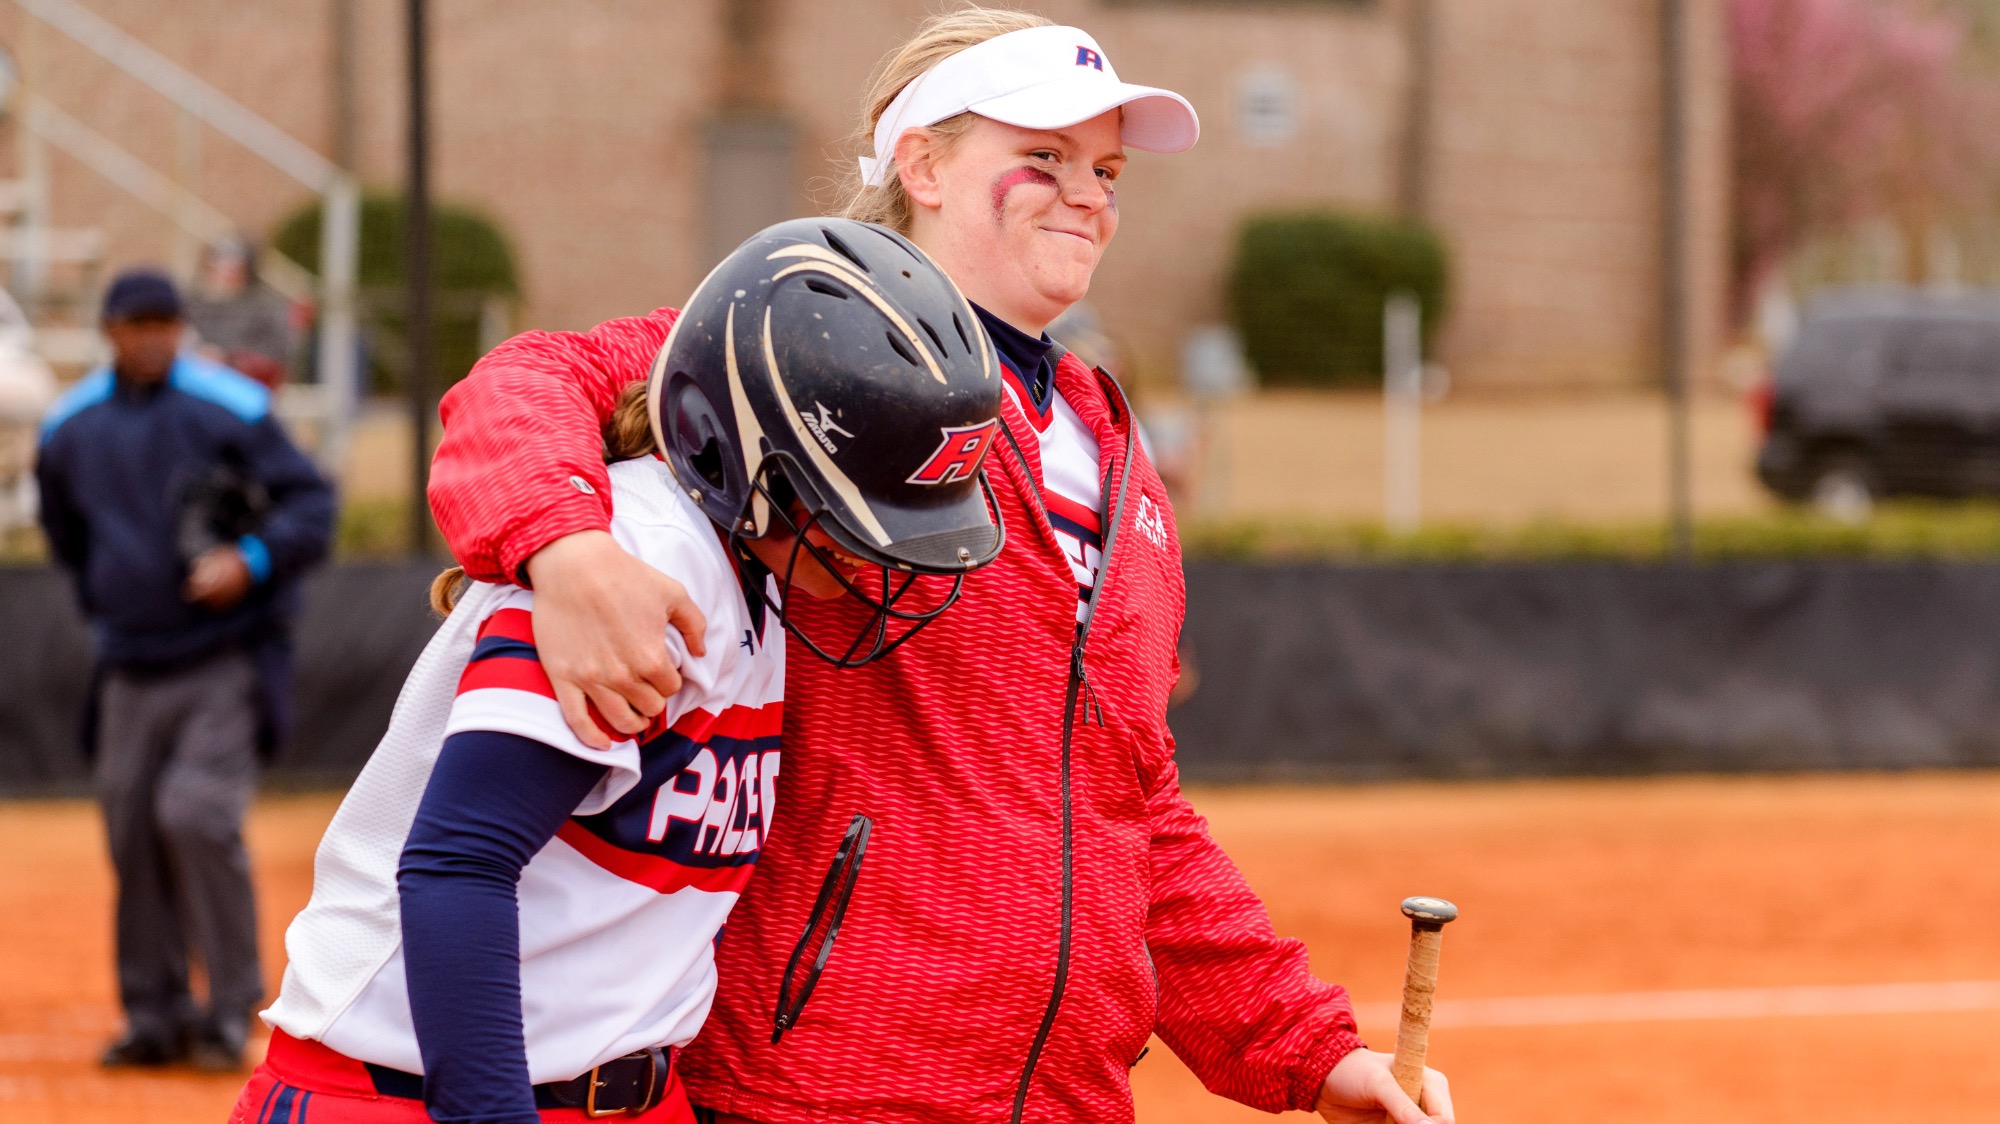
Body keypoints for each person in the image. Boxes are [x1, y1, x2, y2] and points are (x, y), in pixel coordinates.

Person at [427, 11, 1454, 1124]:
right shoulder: (795, 348)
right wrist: (567, 547)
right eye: (1044, 158)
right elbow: (525, 379)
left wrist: (1310, 1052)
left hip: (1068, 1097)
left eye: (1106, 169)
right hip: (822, 1086)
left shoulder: (1118, 455)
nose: (1090, 194)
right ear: (918, 160)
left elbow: (1134, 807)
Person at [232, 219, 1004, 1124]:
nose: (888, 560)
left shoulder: (752, 570)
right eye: (853, 513)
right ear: (743, 460)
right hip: (412, 1094)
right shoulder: (641, 556)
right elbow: (457, 865)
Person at [35, 268, 335, 1071]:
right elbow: (65, 533)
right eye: (138, 324)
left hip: (222, 657)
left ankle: (232, 1009)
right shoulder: (71, 426)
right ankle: (155, 1014)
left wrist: (253, 558)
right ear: (111, 332)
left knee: (197, 815)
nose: (153, 336)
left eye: (166, 322)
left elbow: (313, 504)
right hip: (129, 663)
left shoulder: (230, 405)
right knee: (131, 832)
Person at [187, 237, 298, 391]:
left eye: (232, 270)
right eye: (218, 268)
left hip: (245, 386)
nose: (224, 275)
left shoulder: (265, 305)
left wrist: (230, 359)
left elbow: (280, 350)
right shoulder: (193, 302)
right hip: (198, 382)